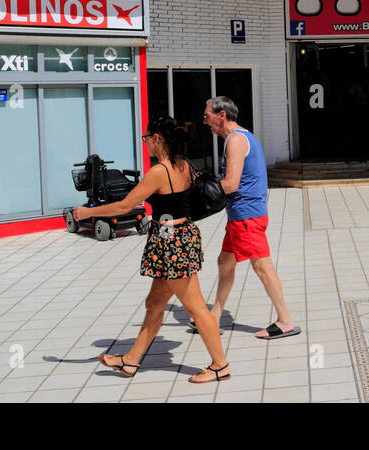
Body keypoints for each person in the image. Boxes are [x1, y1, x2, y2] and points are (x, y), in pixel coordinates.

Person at [75, 116, 230, 383]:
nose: (145, 143)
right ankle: (132, 360)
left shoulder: (160, 171)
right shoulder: (182, 164)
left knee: (196, 308)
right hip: (179, 237)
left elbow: (125, 206)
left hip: (171, 244)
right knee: (154, 304)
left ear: (157, 139)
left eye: (146, 138)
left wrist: (87, 212)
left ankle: (220, 365)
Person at [194, 96, 298, 340]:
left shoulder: (236, 141)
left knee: (261, 267)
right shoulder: (242, 136)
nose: (205, 121)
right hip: (240, 216)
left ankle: (285, 321)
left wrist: (199, 192)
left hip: (247, 217)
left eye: (207, 115)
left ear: (222, 115)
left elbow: (230, 184)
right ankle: (215, 315)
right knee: (225, 262)